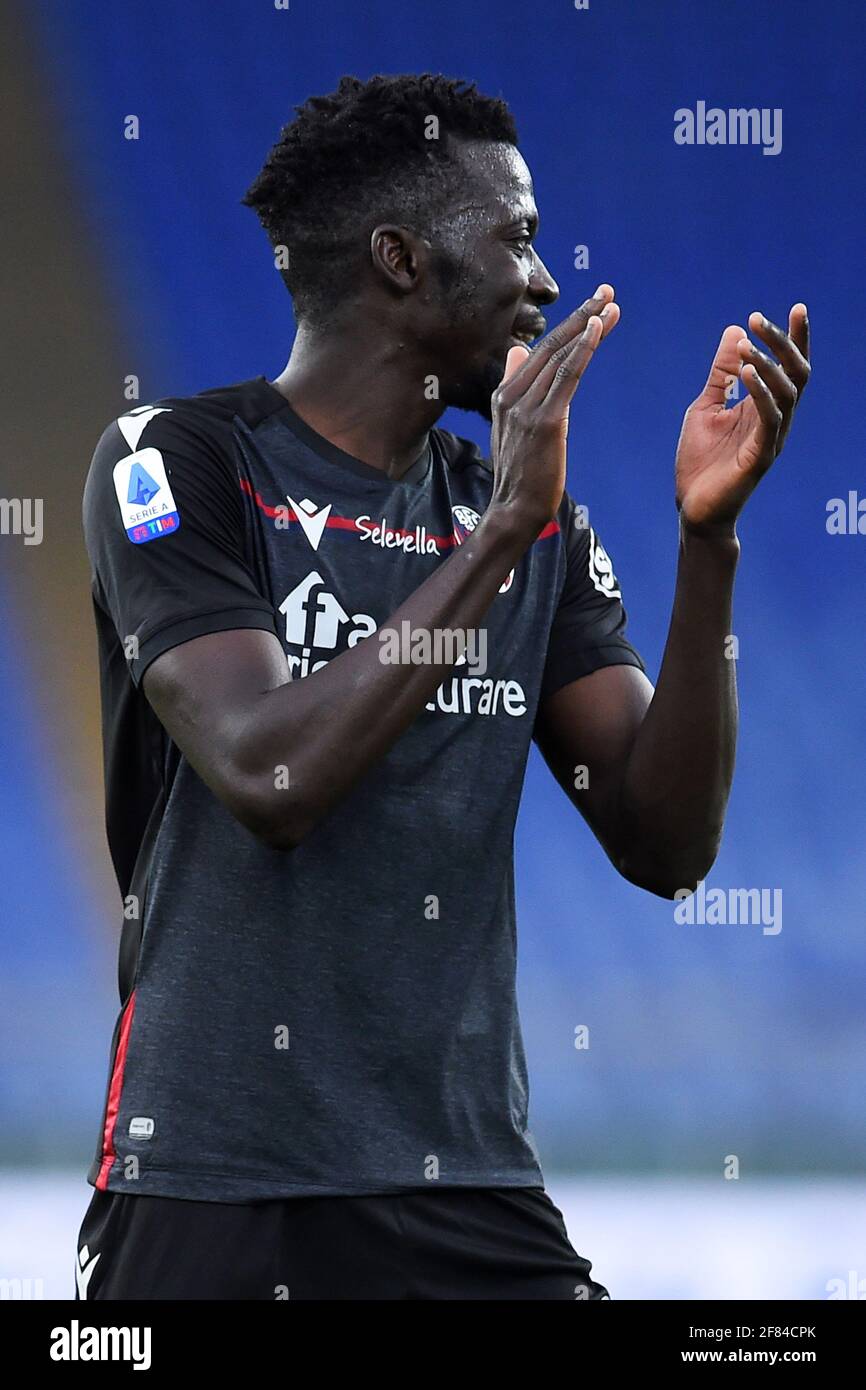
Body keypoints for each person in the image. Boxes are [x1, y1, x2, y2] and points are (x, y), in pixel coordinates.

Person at [75, 73, 810, 1301]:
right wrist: (499, 537)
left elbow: (664, 840)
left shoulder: (519, 516)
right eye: (516, 238)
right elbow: (270, 772)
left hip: (465, 1182)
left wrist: (706, 542)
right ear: (400, 260)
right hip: (210, 1183)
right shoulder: (178, 462)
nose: (543, 280)